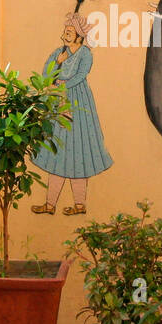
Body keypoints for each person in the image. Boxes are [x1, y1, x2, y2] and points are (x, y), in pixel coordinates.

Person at [30, 12, 113, 216]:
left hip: (78, 103)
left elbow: (81, 75)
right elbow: (46, 75)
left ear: (79, 36)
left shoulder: (85, 54)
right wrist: (58, 62)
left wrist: (62, 84)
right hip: (58, 102)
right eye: (65, 31)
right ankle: (50, 205)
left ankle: (79, 205)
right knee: (57, 152)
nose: (66, 35)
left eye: (70, 32)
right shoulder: (59, 52)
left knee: (79, 153)